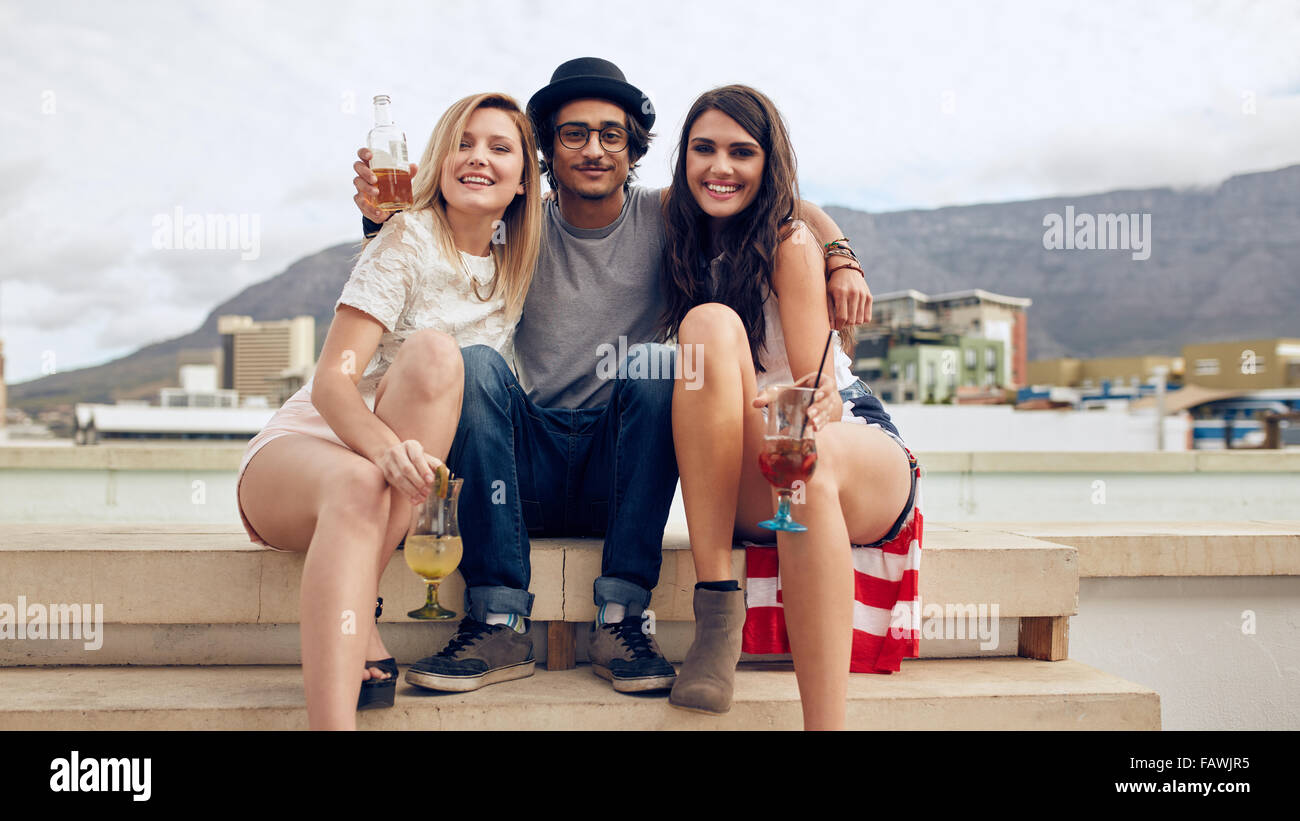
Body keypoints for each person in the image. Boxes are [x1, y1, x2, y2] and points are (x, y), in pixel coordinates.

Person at [352, 58, 874, 696]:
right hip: (516, 470)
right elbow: (426, 254)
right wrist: (378, 221)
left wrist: (841, 255)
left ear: (635, 148)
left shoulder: (669, 217)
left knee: (660, 363)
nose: (594, 150)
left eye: (611, 135)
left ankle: (624, 618)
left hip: (619, 472)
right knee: (477, 363)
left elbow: (780, 197)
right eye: (573, 134)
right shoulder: (514, 221)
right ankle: (495, 618)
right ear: (545, 149)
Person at [237, 92, 542, 730]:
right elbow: (330, 383)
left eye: (499, 147)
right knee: (427, 365)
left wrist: (817, 240)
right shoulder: (405, 236)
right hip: (303, 457)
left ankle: (359, 618)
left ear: (523, 182)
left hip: (386, 484)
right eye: (462, 142)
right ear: (438, 159)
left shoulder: (518, 264)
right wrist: (382, 450)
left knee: (429, 385)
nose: (477, 157)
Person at [658, 85, 921, 730]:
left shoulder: (791, 242)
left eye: (742, 152)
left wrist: (836, 253)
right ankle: (718, 612)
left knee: (802, 463)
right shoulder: (668, 227)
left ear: (766, 163)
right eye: (705, 149)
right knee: (711, 323)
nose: (721, 167)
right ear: (683, 158)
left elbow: (817, 389)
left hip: (843, 437)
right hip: (747, 467)